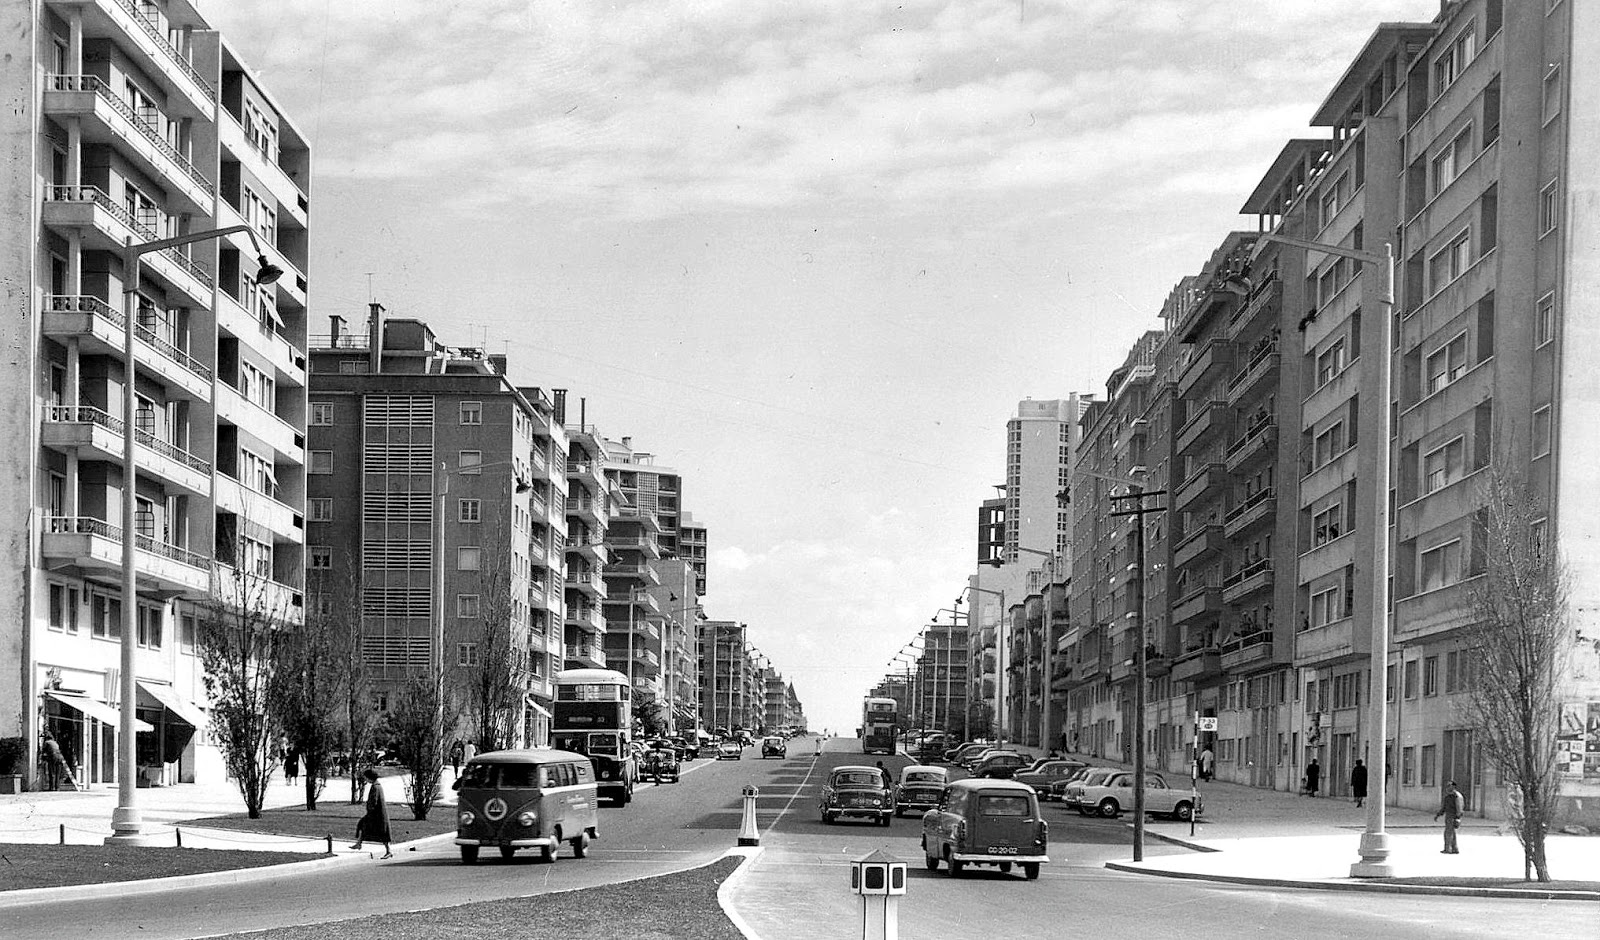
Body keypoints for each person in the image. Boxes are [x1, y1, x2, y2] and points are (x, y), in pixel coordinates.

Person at [351, 769, 393, 859]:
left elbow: (374, 800)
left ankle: (388, 851)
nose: (365, 779)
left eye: (366, 777)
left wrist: (370, 809)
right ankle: (359, 843)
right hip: (376, 813)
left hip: (376, 814)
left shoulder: (375, 787)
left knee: (382, 832)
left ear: (370, 777)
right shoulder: (377, 785)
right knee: (363, 825)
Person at [1435, 781, 1464, 854]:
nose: (1447, 788)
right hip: (1449, 816)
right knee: (1452, 833)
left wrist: (1458, 817)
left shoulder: (1455, 796)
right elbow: (1444, 808)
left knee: (1448, 833)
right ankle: (1454, 848)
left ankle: (1448, 849)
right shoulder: (1449, 796)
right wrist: (1438, 815)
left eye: (1449, 786)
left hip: (1452, 816)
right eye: (1447, 786)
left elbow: (1459, 807)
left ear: (1453, 787)